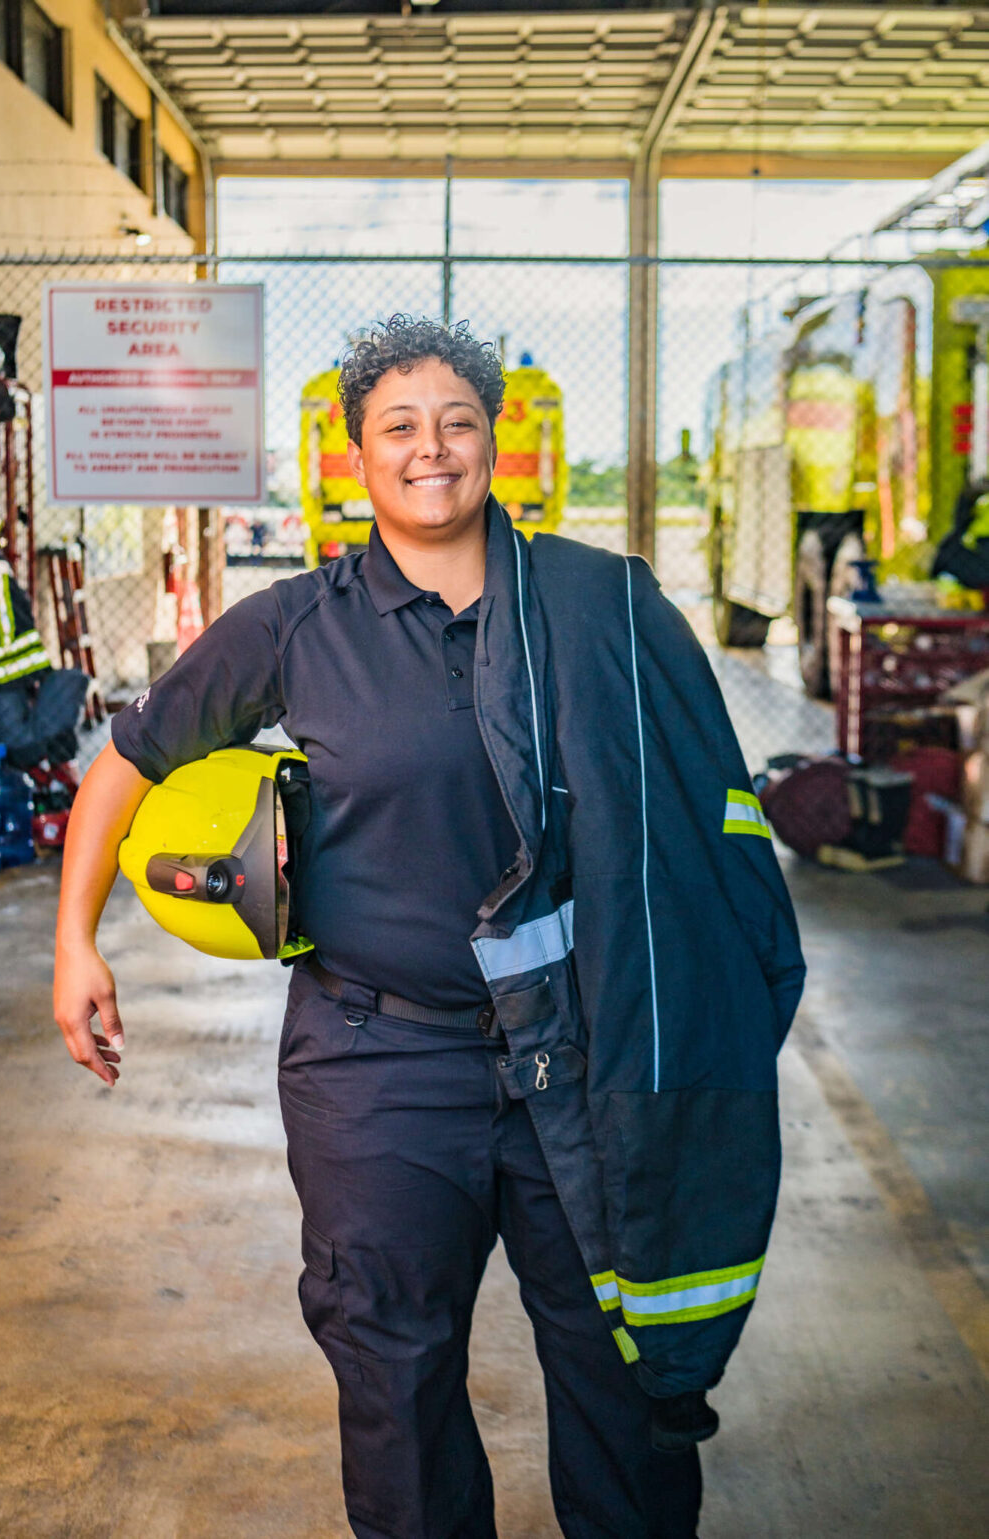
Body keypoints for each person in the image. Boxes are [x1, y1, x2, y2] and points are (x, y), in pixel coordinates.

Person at [54, 315, 804, 1539]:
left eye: (457, 422)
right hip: (377, 1064)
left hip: (581, 1053)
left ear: (493, 441)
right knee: (395, 1379)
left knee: (618, 1381)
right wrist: (74, 943)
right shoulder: (297, 625)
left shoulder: (603, 606)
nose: (431, 449)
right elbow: (126, 765)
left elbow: (707, 815)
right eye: (398, 426)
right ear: (356, 457)